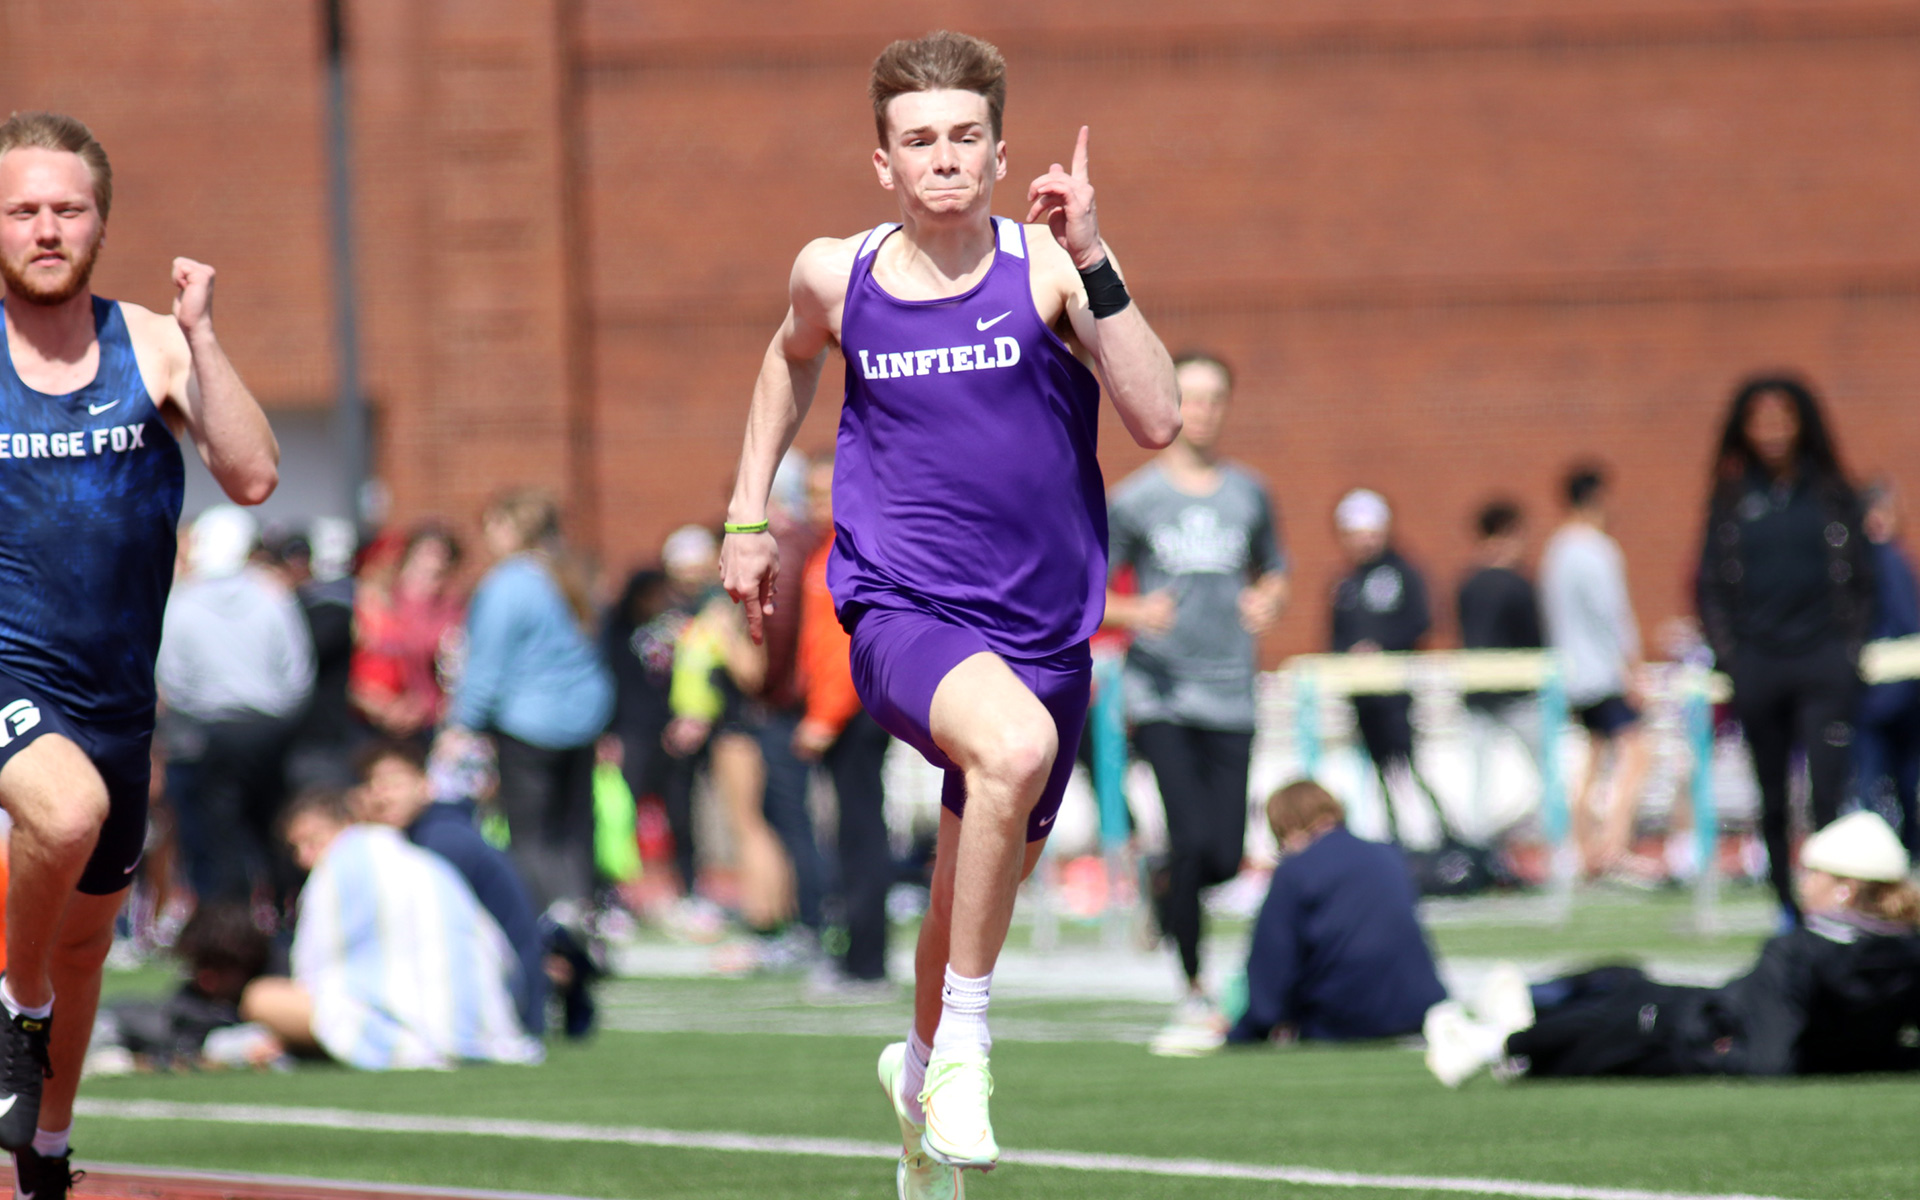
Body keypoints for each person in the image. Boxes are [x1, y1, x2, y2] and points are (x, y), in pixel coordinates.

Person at [717, 30, 1179, 1190]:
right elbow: (787, 362)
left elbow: (1159, 417)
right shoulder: (840, 272)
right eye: (919, 141)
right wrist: (743, 512)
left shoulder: (1047, 271)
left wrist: (1099, 251)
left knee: (969, 886)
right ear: (883, 162)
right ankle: (969, 1043)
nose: (944, 159)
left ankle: (919, 1067)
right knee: (1008, 747)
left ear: (998, 150)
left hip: (1045, 630)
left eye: (965, 138)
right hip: (899, 608)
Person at [0, 111, 280, 1198]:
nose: (46, 227)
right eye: (23, 209)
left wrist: (204, 337)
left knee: (84, 949)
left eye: (66, 208)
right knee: (58, 817)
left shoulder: (151, 343)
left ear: (100, 220)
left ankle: (51, 1152)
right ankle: (14, 1016)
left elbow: (253, 479)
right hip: (12, 672)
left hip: (119, 695)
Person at [1425, 811, 1920, 1085]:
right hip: (1710, 1016)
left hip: (1696, 1035)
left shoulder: (1799, 950)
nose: (1803, 880)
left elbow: (1770, 1059)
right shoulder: (1906, 952)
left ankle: (1497, 1042)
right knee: (1624, 978)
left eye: (1815, 872)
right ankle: (1515, 1017)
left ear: (1846, 889)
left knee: (1622, 1010)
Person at [1103, 351, 1288, 1055]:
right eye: (1192, 397)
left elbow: (1276, 569)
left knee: (1223, 858)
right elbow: (1085, 585)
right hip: (1164, 694)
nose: (1204, 410)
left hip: (1231, 690)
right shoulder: (1136, 500)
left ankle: (1166, 883)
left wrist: (1269, 598)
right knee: (1189, 836)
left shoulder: (1251, 493)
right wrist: (1131, 613)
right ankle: (1191, 985)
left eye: (1216, 398)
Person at [1697, 375, 1873, 922]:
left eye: (1783, 419)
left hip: (1822, 659)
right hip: (1760, 663)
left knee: (1828, 793)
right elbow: (1708, 586)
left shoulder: (1831, 496)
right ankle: (1784, 903)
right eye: (1760, 420)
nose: (1772, 432)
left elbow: (1864, 579)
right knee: (1772, 795)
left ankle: (1833, 903)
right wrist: (1733, 657)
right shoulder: (1730, 501)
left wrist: (1849, 647)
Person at [238, 788, 542, 1070]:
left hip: (411, 1026)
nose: (304, 857)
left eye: (313, 840)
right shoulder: (424, 862)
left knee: (261, 998)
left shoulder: (337, 869)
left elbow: (314, 975)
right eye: (296, 848)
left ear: (345, 823)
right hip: (486, 1024)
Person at [444, 489, 614, 920]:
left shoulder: (508, 583)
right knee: (574, 827)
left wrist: (461, 724)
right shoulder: (567, 574)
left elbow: (486, 662)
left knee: (531, 832)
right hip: (582, 718)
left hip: (529, 722)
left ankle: (550, 917)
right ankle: (581, 908)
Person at [157, 505, 316, 908]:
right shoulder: (273, 598)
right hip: (267, 732)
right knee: (273, 830)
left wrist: (199, 714)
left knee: (216, 838)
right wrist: (277, 718)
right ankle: (285, 918)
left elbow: (171, 679)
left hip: (209, 735)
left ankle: (227, 929)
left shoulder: (183, 603)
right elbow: (297, 672)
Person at [350, 738, 551, 1038]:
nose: (381, 796)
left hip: (505, 1005)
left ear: (425, 786)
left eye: (393, 783)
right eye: (371, 785)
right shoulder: (433, 831)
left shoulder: (440, 842)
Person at [1226, 781, 1445, 1047]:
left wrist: (1246, 1029)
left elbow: (1273, 961)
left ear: (1288, 825)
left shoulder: (1295, 871)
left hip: (1344, 1018)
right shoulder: (1388, 854)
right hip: (1418, 1010)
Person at [793, 452, 896, 998]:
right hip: (849, 711)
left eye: (821, 491)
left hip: (853, 714)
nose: (812, 503)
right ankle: (858, 954)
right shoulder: (829, 546)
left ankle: (865, 961)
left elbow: (845, 646)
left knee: (860, 837)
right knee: (854, 836)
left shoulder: (851, 550)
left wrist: (823, 717)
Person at [1540, 465, 1653, 879]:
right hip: (1603, 673)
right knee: (1638, 754)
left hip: (1572, 673)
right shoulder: (1596, 549)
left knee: (1592, 756)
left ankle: (1585, 848)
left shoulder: (1557, 550)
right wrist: (1633, 670)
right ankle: (1612, 844)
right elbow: (1613, 616)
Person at [1329, 489, 1435, 841]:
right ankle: (1394, 837)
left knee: (1410, 767)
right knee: (1376, 772)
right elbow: (1335, 637)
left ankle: (1438, 835)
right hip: (1364, 699)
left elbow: (1420, 622)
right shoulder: (1345, 584)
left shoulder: (1403, 573)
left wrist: (1383, 647)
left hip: (1398, 697)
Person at [1456, 499, 1547, 836]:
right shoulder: (1518, 585)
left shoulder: (1467, 584)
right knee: (1548, 770)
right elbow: (1535, 640)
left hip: (1477, 693)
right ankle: (1555, 843)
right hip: (1519, 693)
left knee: (1480, 779)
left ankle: (1479, 845)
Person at [351, 523, 464, 747]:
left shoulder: (455, 613)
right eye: (420, 569)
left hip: (426, 724)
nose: (426, 582)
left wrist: (425, 709)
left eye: (437, 574)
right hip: (369, 720)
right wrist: (380, 704)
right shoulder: (376, 602)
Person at [1853, 480, 1920, 855]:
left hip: (1878, 690)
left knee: (1877, 781)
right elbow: (1908, 621)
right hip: (1892, 689)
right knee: (1892, 780)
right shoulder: (1886, 558)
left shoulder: (1863, 561)